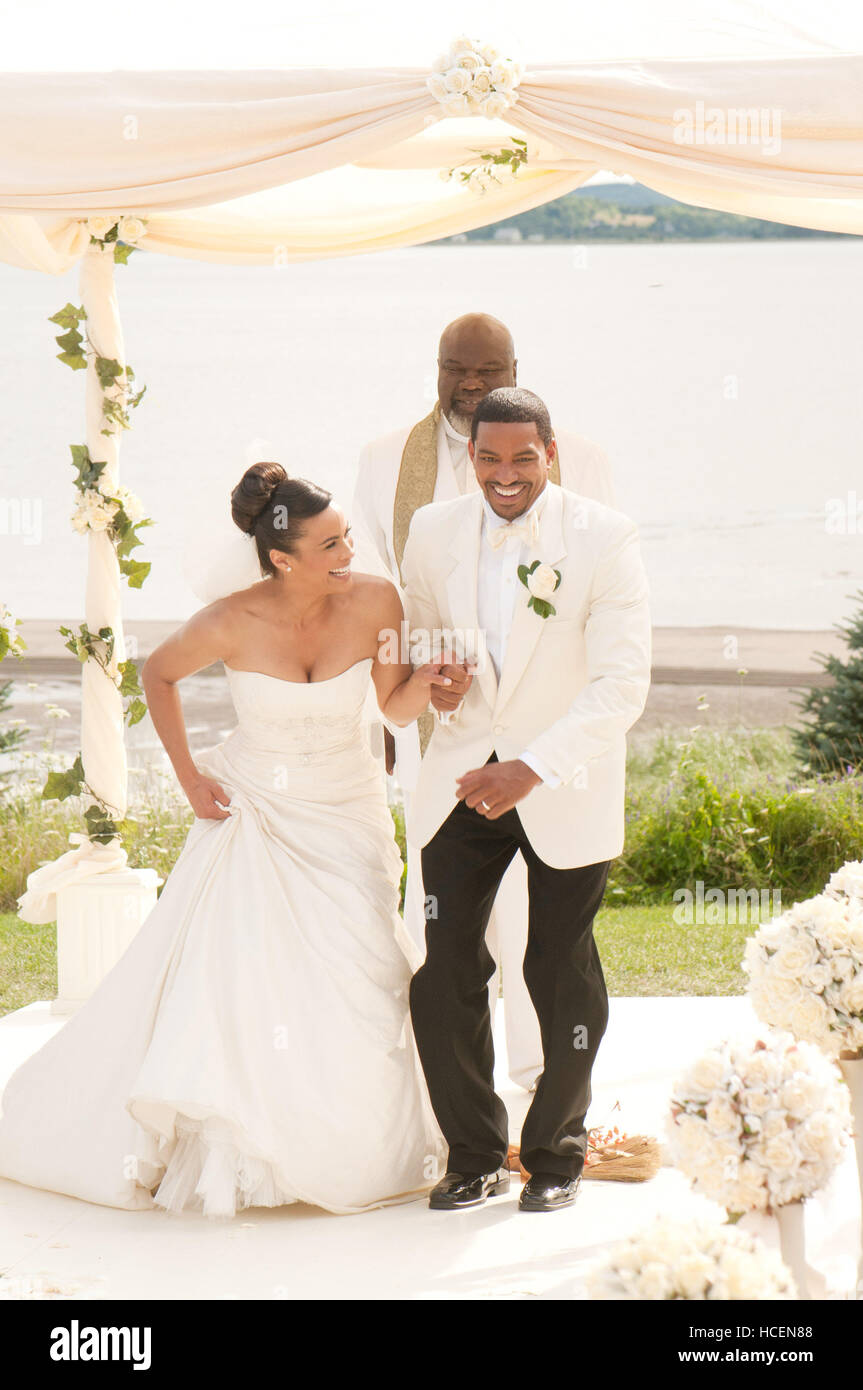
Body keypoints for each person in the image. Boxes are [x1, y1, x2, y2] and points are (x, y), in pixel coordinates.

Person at [0, 465, 447, 1217]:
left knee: (360, 966)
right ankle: (241, 1144)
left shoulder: (377, 600)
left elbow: (393, 710)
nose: (349, 553)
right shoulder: (230, 618)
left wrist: (429, 679)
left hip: (347, 810)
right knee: (243, 968)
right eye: (331, 544)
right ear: (281, 557)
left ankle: (358, 1142)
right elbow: (158, 675)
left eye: (347, 537)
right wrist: (189, 779)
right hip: (256, 809)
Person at [401, 387, 651, 1213]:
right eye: (487, 457)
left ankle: (556, 1157)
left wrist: (532, 767)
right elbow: (422, 636)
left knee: (557, 966)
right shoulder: (431, 530)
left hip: (562, 786)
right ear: (468, 456)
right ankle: (471, 1152)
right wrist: (438, 682)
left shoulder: (604, 538)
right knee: (444, 975)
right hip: (458, 784)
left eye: (521, 457)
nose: (503, 475)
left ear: (550, 454)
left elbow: (621, 686)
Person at [353, 312, 616, 1091]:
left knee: (541, 917)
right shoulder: (380, 462)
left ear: (513, 367)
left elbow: (600, 584)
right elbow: (381, 603)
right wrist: (399, 704)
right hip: (442, 733)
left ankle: (541, 1080)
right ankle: (445, 1101)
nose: (469, 383)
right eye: (453, 369)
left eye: (486, 370)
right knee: (440, 924)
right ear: (434, 367)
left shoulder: (586, 460)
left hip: (546, 745)